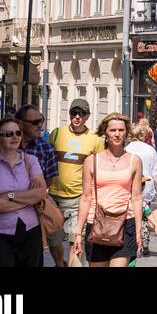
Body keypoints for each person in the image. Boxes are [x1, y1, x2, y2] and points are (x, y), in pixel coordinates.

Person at [73, 114, 144, 268]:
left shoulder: (135, 161)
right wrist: (78, 233)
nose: (117, 134)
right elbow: (85, 197)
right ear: (105, 132)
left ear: (126, 132)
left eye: (121, 130)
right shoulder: (91, 160)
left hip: (126, 224)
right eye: (113, 130)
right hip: (97, 224)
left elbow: (137, 198)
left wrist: (139, 230)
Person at [0, 117, 47, 268]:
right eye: (8, 134)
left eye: (18, 133)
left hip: (30, 230)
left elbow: (40, 193)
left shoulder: (31, 161)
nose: (15, 137)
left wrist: (9, 196)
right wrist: (28, 198)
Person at [47, 98, 103, 267]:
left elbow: (99, 168)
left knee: (75, 239)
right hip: (53, 197)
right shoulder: (56, 133)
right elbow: (46, 162)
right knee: (54, 239)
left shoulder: (95, 139)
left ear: (87, 116)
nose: (77, 117)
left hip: (78, 198)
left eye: (81, 114)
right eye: (74, 113)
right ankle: (59, 263)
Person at [125, 121, 157, 258]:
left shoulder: (126, 148)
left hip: (130, 185)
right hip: (146, 185)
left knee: (131, 213)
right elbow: (156, 174)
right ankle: (144, 240)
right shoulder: (150, 150)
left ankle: (132, 239)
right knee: (144, 213)